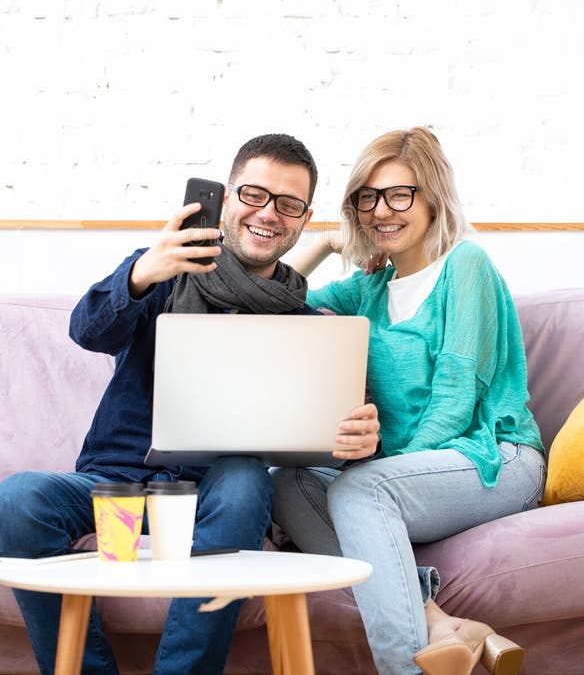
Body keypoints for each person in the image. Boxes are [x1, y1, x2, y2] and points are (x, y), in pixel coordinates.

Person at [0, 133, 377, 675]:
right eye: (254, 194)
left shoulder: (304, 325)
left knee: (248, 479)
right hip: (116, 483)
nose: (268, 213)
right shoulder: (165, 267)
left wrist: (361, 439)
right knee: (17, 500)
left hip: (215, 493)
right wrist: (140, 273)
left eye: (288, 204)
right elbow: (87, 330)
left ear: (304, 217)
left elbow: (340, 433)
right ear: (225, 197)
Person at [271, 126, 546, 675]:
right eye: (367, 198)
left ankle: (407, 669)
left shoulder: (465, 265)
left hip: (494, 459)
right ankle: (439, 622)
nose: (381, 211)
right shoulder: (367, 289)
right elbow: (273, 303)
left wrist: (376, 479)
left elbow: (455, 395)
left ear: (433, 197)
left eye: (400, 194)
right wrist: (327, 244)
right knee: (286, 482)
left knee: (361, 490)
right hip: (410, 479)